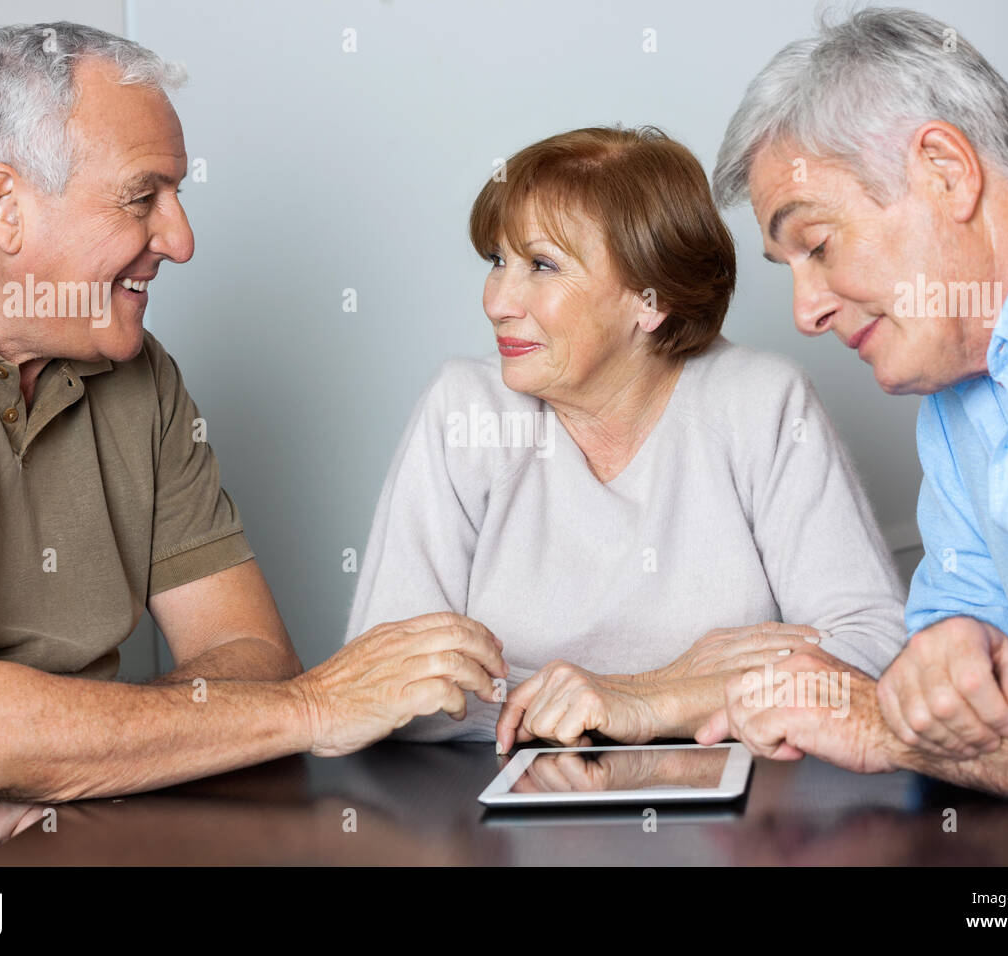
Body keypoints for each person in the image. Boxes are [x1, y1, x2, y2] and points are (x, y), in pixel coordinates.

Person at [0, 22, 505, 866]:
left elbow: (256, 656)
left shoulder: (136, 370)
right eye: (142, 196)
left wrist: (58, 769)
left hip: (86, 844)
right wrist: (316, 709)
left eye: (178, 194)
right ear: (5, 207)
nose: (181, 240)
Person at [702, 7, 1008, 817]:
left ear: (946, 170)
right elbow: (953, 623)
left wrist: (889, 730)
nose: (805, 311)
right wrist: (957, 661)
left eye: (818, 244)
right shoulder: (954, 379)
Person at [345, 126, 907, 750]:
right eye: (498, 260)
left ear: (650, 299)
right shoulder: (465, 410)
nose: (498, 301)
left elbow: (876, 644)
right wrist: (637, 694)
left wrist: (656, 699)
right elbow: (383, 689)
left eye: (541, 265)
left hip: (735, 832)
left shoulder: (761, 403)